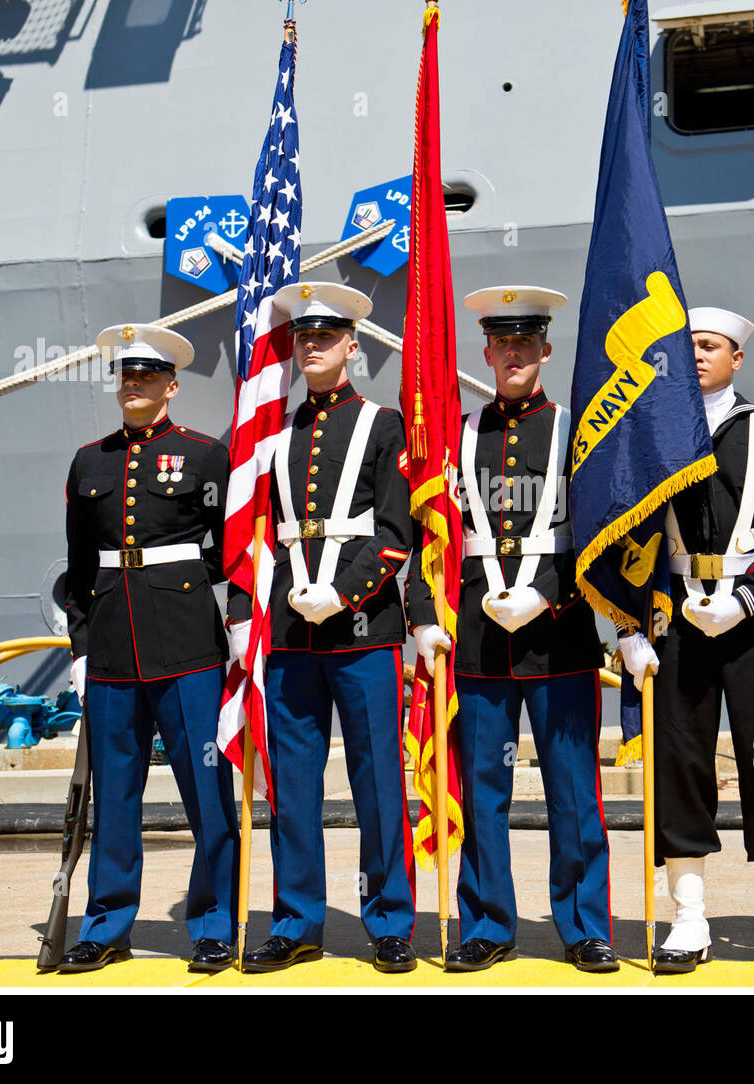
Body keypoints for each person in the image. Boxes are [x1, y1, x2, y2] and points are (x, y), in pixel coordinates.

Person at [408, 285, 616, 973]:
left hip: (559, 634)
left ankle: (585, 926)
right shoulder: (460, 434)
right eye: (503, 345)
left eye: (527, 344)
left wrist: (548, 595)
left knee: (572, 791)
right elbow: (427, 536)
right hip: (478, 639)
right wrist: (421, 621)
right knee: (483, 793)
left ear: (546, 351)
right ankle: (488, 924)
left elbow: (599, 532)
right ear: (487, 352)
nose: (514, 354)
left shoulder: (579, 429)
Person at [615, 307, 754, 974]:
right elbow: (626, 532)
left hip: (752, 619)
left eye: (711, 346)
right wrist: (628, 627)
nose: (698, 354)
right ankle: (689, 917)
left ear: (737, 359)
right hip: (676, 618)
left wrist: (748, 600)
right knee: (679, 765)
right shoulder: (650, 429)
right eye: (689, 346)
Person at [228, 281, 417, 975]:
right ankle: (297, 919)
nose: (313, 345)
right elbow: (261, 537)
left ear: (352, 345)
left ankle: (390, 920)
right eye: (303, 336)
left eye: (327, 335)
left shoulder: (383, 424)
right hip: (289, 634)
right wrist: (248, 614)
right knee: (293, 786)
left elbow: (397, 530)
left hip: (363, 627)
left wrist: (341, 592)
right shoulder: (276, 437)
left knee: (378, 784)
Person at [60, 323, 238, 973]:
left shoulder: (201, 454)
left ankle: (215, 922)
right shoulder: (90, 461)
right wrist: (82, 650)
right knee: (115, 795)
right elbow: (79, 569)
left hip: (187, 647)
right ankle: (106, 923)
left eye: (146, 376)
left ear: (171, 385)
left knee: (208, 791)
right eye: (125, 376)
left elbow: (227, 552)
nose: (132, 385)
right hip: (110, 649)